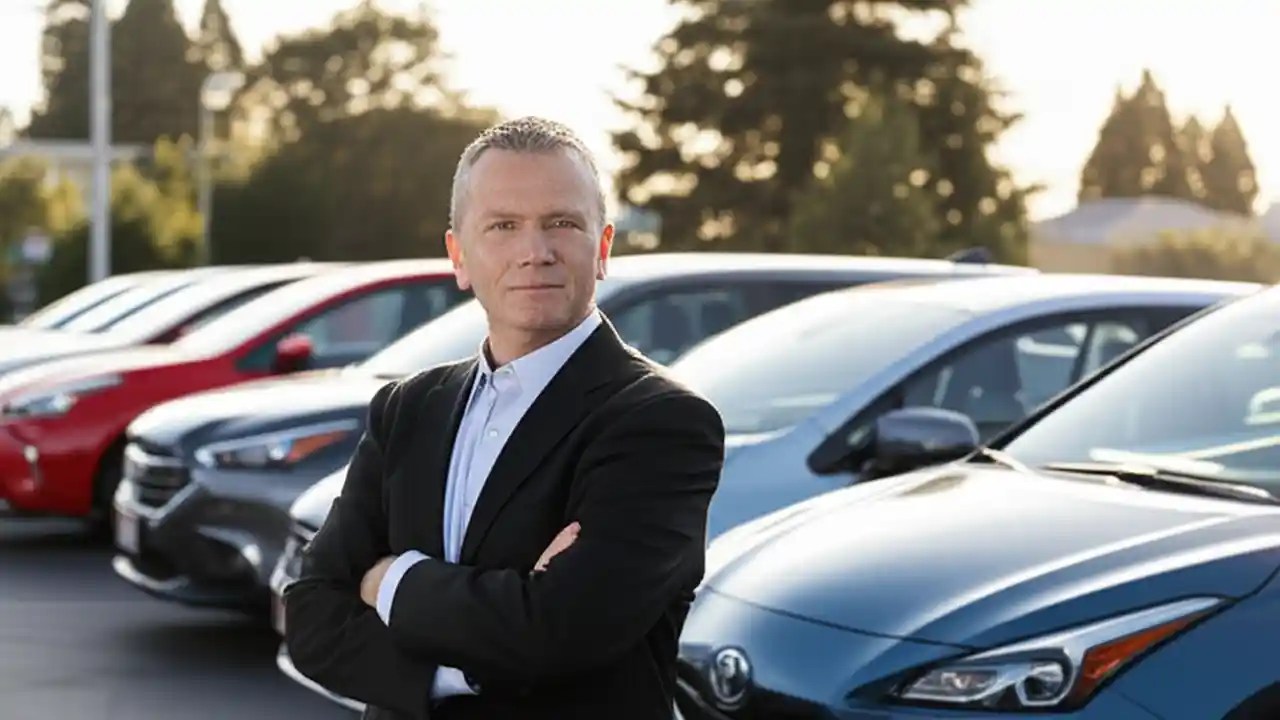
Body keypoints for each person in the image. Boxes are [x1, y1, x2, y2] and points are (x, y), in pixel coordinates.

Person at [284, 116, 726, 720]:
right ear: (458, 257)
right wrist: (471, 661)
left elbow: (560, 630)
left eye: (561, 223)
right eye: (503, 226)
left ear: (602, 248)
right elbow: (310, 616)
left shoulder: (664, 423)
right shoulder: (409, 408)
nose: (534, 251)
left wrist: (390, 580)